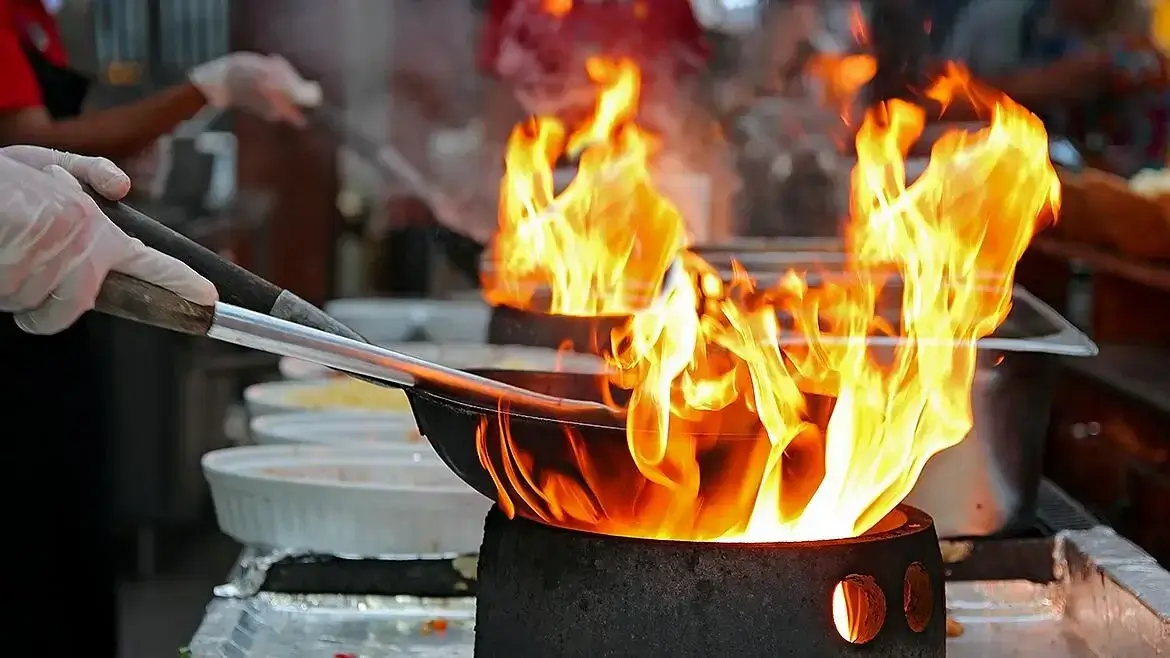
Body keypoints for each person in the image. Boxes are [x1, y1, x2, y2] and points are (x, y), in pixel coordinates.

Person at [0, 1, 314, 654]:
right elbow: (38, 132)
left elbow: (48, 144)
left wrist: (114, 174)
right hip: (14, 323)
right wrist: (208, 89)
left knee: (70, 524)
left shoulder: (37, 17)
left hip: (53, 298)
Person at [943, 0, 1168, 175]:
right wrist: (1063, 78)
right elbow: (953, 101)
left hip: (1097, 170)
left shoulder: (1130, 15)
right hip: (995, 164)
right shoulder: (1001, 19)